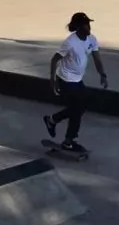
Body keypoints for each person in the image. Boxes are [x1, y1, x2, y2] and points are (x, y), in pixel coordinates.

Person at [43, 12, 108, 153]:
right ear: (78, 27)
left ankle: (52, 120)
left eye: (89, 24)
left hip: (77, 80)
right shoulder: (70, 42)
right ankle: (68, 141)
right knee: (77, 109)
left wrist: (102, 74)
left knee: (81, 107)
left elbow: (97, 58)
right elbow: (54, 59)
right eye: (85, 25)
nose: (88, 27)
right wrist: (52, 80)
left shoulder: (92, 39)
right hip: (65, 79)